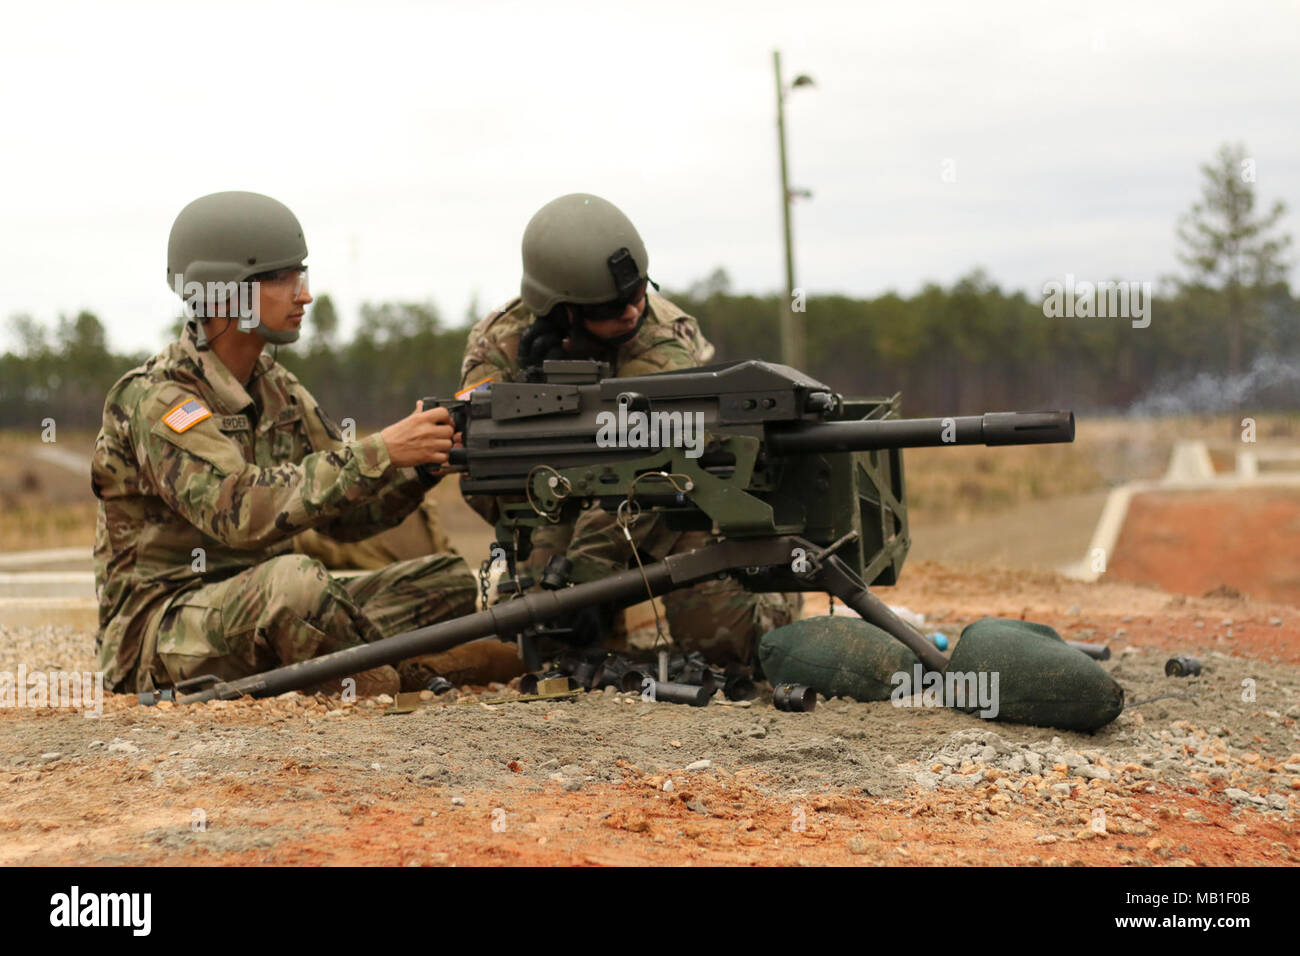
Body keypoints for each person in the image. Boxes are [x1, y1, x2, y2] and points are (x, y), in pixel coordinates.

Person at [92, 190, 476, 696]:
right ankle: (390, 676)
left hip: (266, 608)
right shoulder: (157, 398)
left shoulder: (279, 389)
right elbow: (239, 512)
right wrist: (381, 450)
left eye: (301, 275)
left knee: (448, 581)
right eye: (282, 278)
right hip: (162, 630)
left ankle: (343, 659)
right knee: (296, 586)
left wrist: (418, 466)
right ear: (226, 291)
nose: (304, 295)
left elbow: (343, 521)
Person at [459, 192, 800, 665]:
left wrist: (586, 574)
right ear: (563, 310)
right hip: (559, 507)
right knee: (553, 643)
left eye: (639, 292)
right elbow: (484, 477)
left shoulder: (661, 343)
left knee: (724, 642)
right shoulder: (499, 347)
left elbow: (657, 467)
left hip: (677, 497)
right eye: (609, 308)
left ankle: (778, 589)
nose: (633, 311)